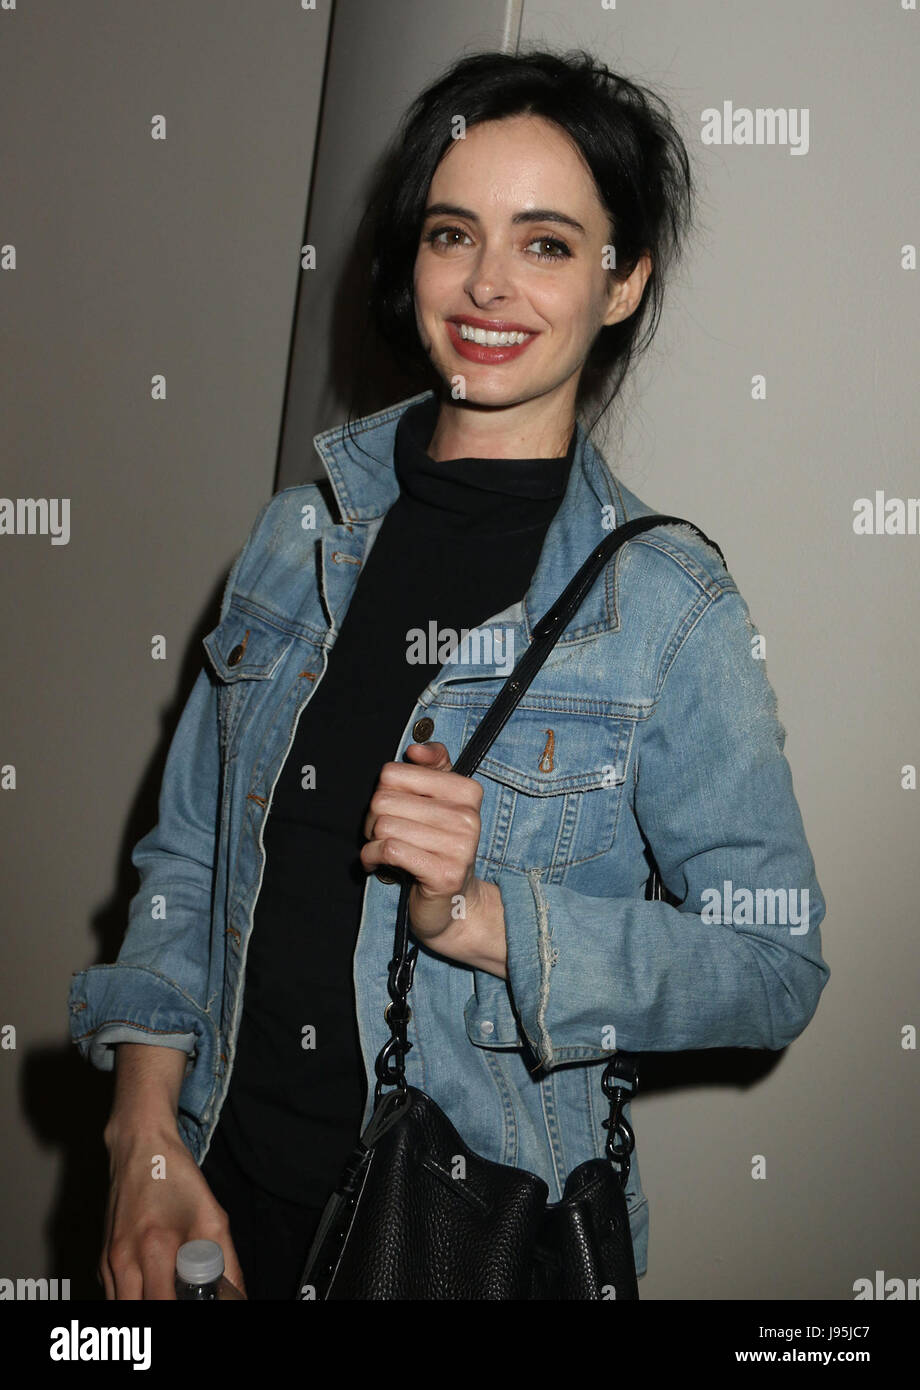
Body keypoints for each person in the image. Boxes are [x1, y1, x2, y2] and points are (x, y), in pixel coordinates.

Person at [68, 47, 830, 1301]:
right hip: (210, 1205)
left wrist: (484, 915)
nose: (485, 283)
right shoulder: (293, 539)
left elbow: (773, 963)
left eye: (545, 242)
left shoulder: (667, 607)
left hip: (450, 1241)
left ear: (622, 279)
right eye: (450, 232)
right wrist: (142, 1134)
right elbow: (187, 861)